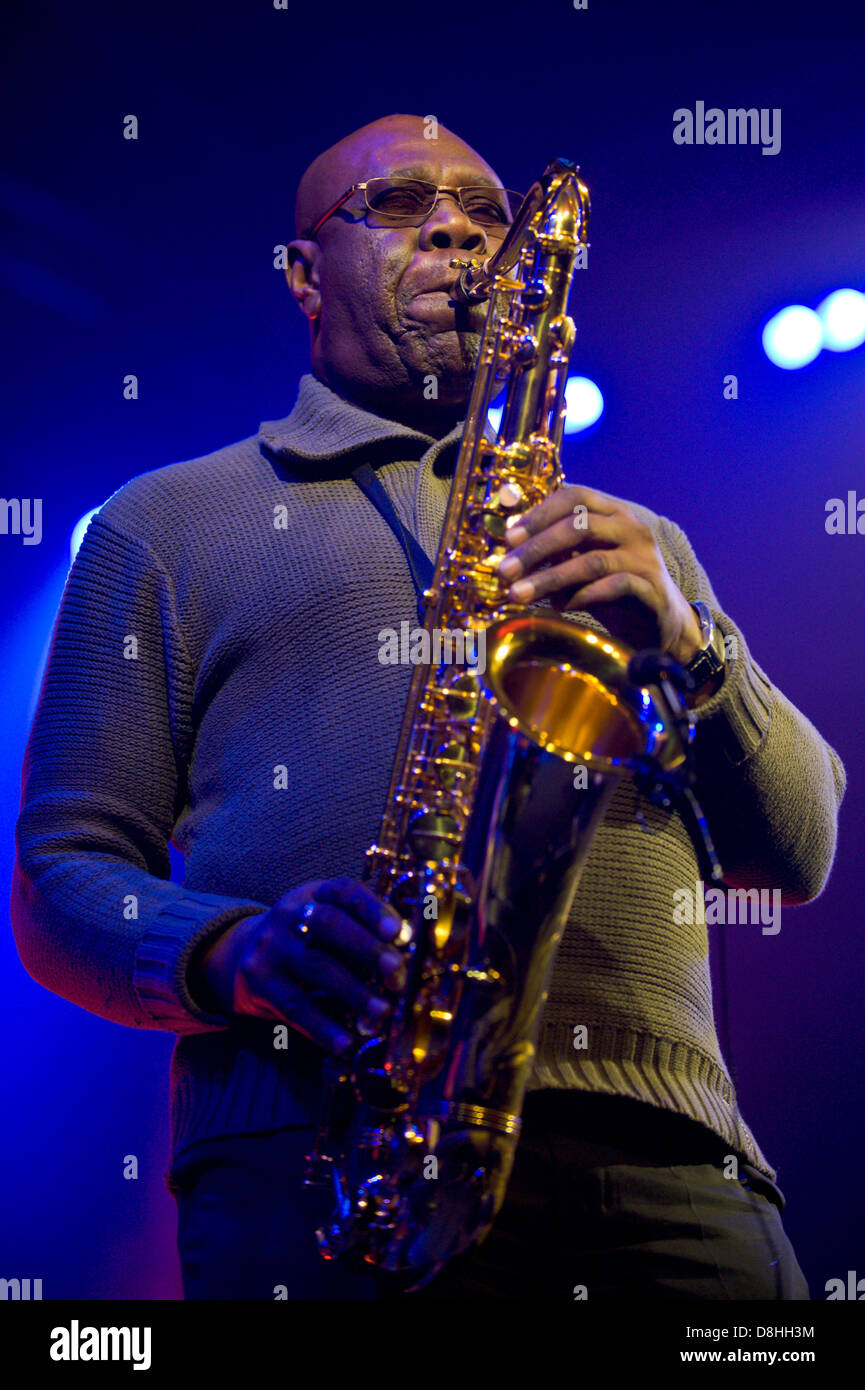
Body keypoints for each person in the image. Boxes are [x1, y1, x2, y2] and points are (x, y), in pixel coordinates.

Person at [11, 114, 844, 1301]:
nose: (456, 227)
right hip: (315, 1152)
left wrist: (694, 644)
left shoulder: (637, 542)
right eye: (396, 203)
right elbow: (59, 874)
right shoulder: (166, 520)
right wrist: (235, 949)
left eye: (486, 212)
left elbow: (800, 847)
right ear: (301, 276)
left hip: (664, 1161)